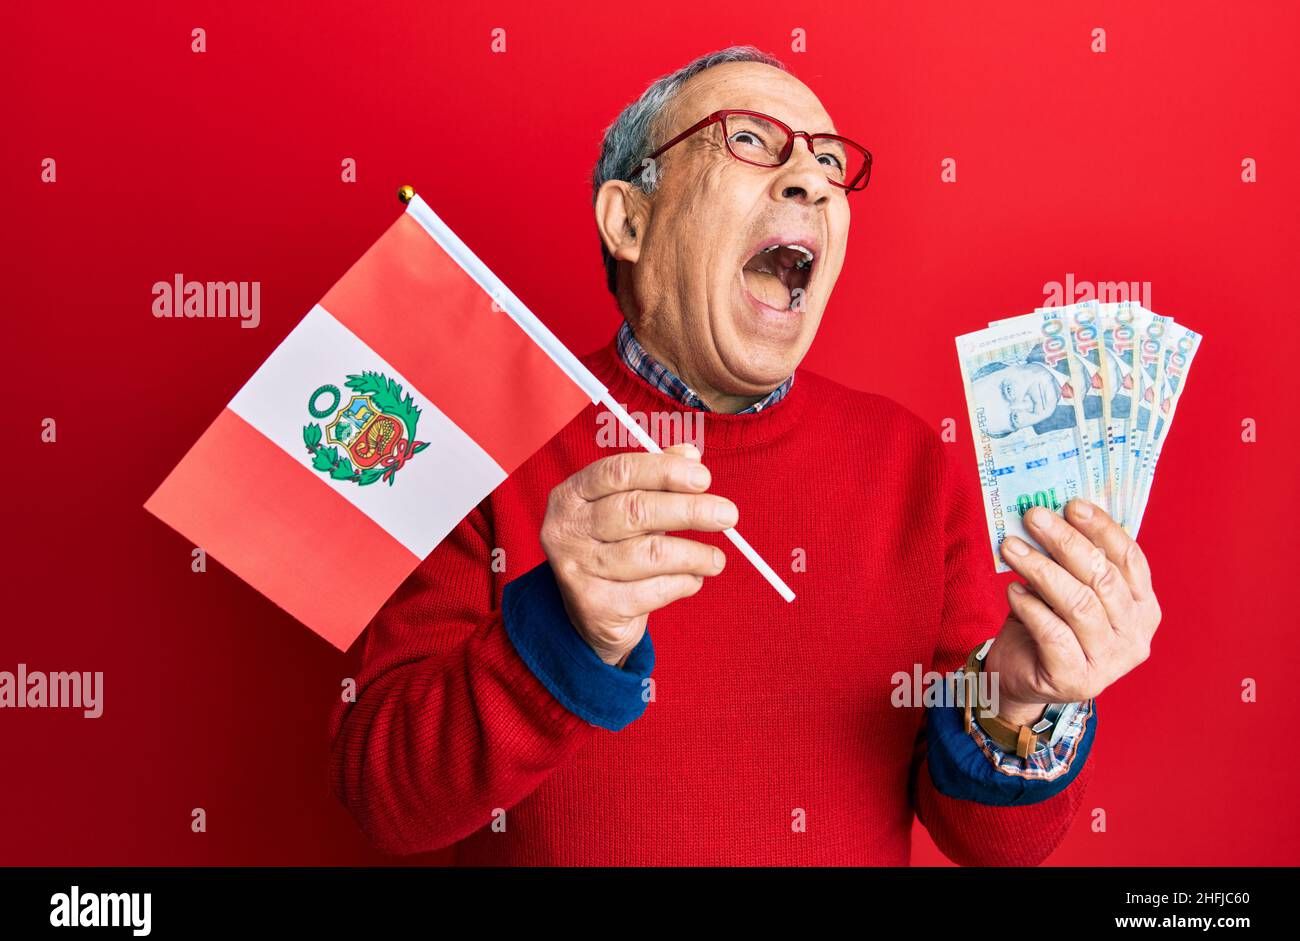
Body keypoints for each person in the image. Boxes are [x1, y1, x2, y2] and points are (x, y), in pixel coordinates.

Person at [329, 45, 1162, 865]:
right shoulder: (493, 440)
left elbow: (995, 844)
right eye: (751, 140)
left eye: (829, 162)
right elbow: (386, 800)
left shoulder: (912, 463)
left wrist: (1015, 699)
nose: (809, 177)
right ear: (629, 219)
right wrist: (562, 634)